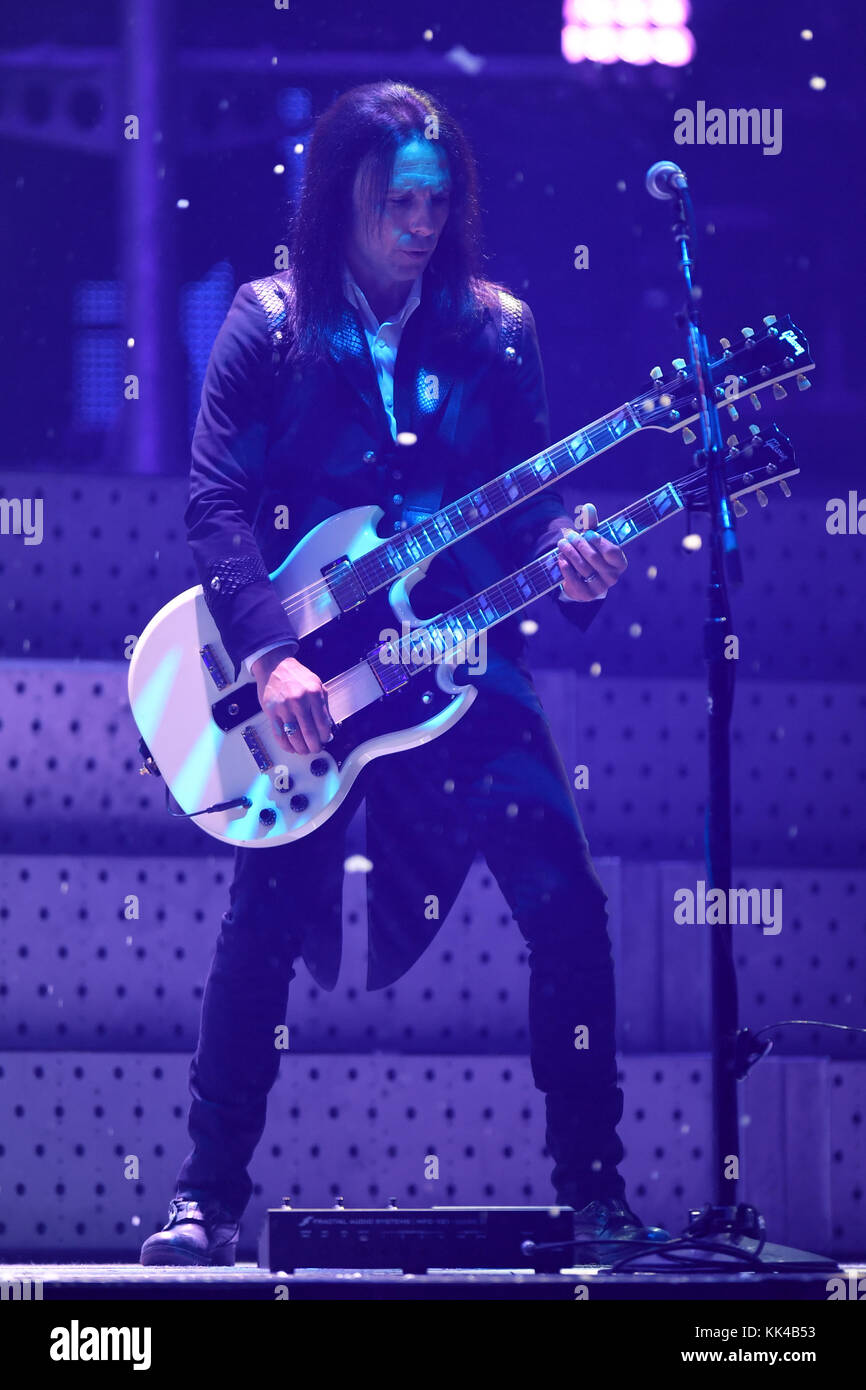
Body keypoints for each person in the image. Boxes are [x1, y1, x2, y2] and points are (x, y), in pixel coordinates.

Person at [141, 80, 650, 1268]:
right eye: (395, 203)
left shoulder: (495, 328)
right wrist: (268, 659)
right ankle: (204, 1199)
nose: (419, 224)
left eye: (435, 201)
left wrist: (568, 560)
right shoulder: (267, 321)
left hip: (460, 665)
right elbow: (216, 504)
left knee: (568, 910)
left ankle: (595, 1195)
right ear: (343, 205)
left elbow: (528, 506)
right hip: (308, 678)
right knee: (259, 921)